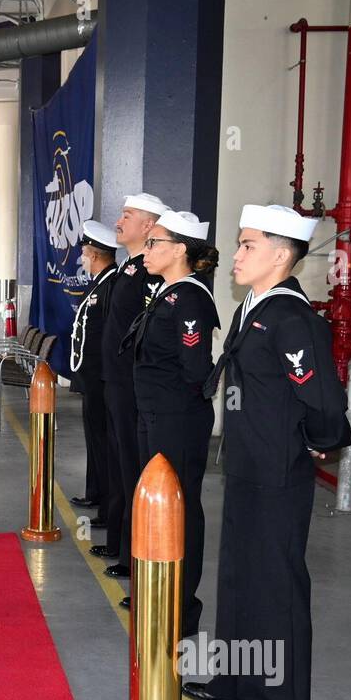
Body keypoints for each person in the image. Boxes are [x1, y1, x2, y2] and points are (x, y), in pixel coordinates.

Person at [188, 204, 351, 700]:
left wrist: (317, 439)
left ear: (281, 255)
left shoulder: (290, 318)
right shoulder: (255, 308)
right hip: (246, 467)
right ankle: (235, 677)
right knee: (237, 579)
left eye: (248, 245)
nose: (235, 255)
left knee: (274, 592)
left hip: (277, 474)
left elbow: (326, 401)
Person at [122, 210, 220, 621]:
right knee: (156, 505)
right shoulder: (166, 291)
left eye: (154, 243)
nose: (146, 251)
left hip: (177, 416)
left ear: (180, 249)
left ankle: (180, 606)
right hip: (155, 412)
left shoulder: (191, 297)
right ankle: (157, 588)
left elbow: (195, 368)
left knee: (178, 507)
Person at [100, 193, 167, 583]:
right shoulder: (129, 266)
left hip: (131, 383)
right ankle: (119, 543)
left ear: (148, 226)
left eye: (128, 215)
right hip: (114, 380)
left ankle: (132, 556)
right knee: (118, 463)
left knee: (132, 470)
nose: (119, 220)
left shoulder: (150, 272)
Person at [68, 221, 118, 530]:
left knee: (103, 440)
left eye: (85, 253)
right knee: (94, 438)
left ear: (95, 254)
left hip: (102, 377)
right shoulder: (99, 282)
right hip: (91, 377)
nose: (82, 259)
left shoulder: (112, 284)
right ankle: (95, 492)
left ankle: (105, 498)